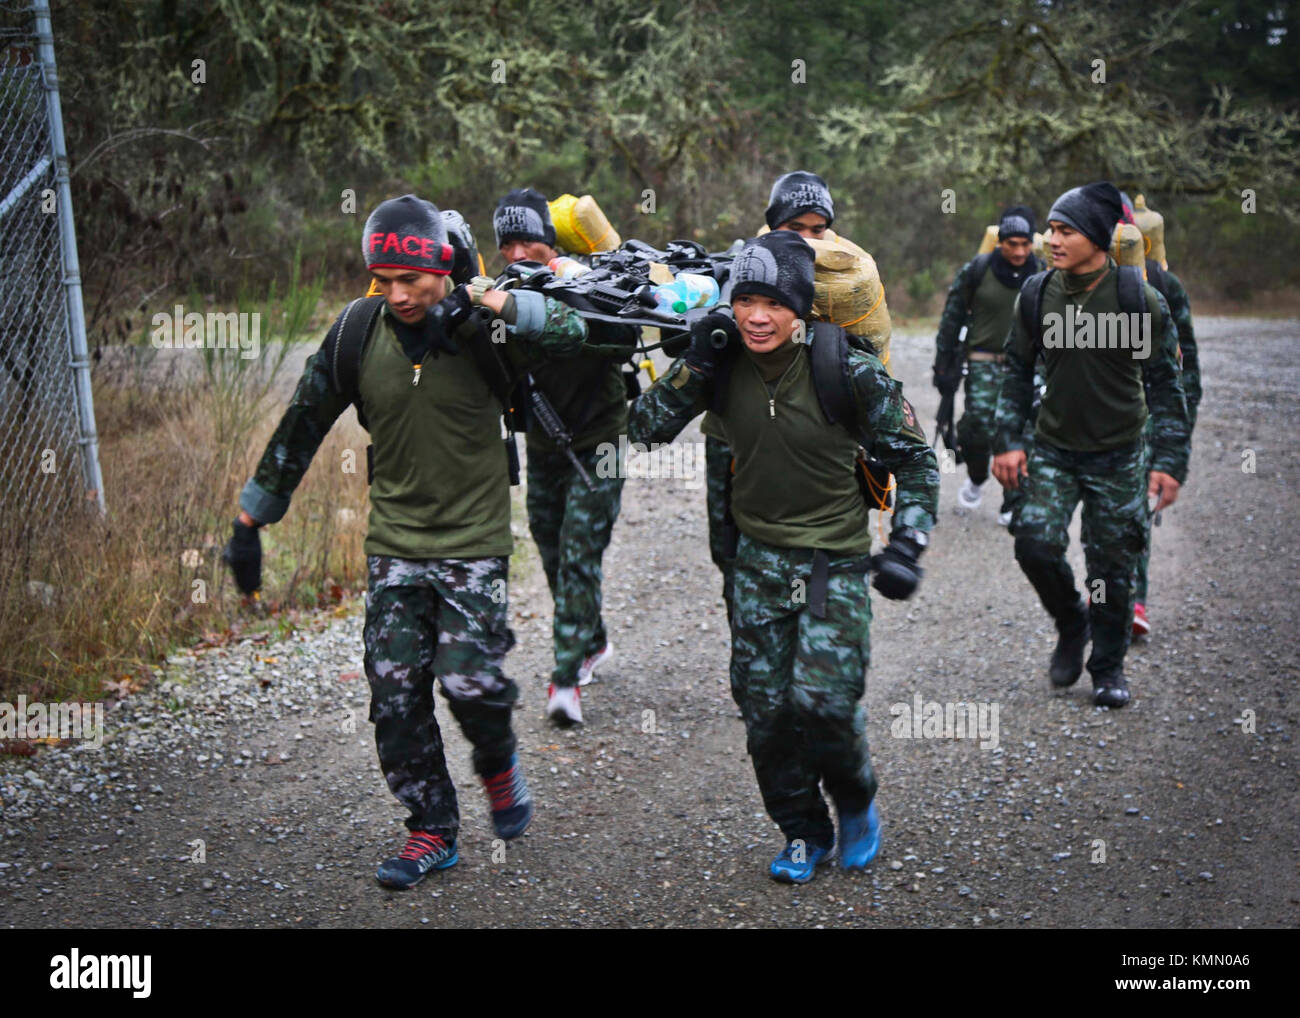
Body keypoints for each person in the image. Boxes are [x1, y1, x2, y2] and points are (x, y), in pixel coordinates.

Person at [224, 194, 591, 889]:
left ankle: (498, 763)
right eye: (383, 280)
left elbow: (575, 332)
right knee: (394, 695)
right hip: (395, 544)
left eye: (412, 281)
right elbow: (302, 422)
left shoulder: (488, 324)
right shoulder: (358, 333)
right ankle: (430, 829)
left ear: (445, 268)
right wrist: (252, 520)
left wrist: (500, 304)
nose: (398, 295)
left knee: (469, 681)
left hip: (474, 541)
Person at [630, 231, 939, 883]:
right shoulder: (722, 364)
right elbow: (645, 428)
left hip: (834, 565)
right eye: (745, 300)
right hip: (759, 567)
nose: (757, 316)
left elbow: (915, 457)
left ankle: (854, 802)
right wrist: (694, 366)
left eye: (773, 302)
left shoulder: (847, 371)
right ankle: (803, 829)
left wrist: (908, 540)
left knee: (824, 703)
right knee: (766, 714)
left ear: (801, 308)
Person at [992, 182, 1191, 708]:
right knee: (1033, 541)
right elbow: (1015, 371)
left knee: (1113, 566)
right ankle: (1070, 622)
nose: (1051, 239)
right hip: (1053, 448)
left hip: (1120, 454)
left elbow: (1167, 386)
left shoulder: (1136, 299)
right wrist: (1009, 439)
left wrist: (1169, 461)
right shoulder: (1036, 294)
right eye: (1051, 229)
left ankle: (1107, 667)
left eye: (1065, 231)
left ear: (1099, 239)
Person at [492, 188, 629, 726]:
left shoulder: (590, 281)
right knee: (550, 546)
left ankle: (565, 678)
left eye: (528, 241)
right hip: (546, 442)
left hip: (601, 443)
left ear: (549, 243)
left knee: (578, 552)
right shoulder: (503, 292)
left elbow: (621, 340)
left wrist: (576, 287)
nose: (518, 252)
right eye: (508, 244)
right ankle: (591, 640)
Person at [701, 171, 837, 623]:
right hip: (734, 432)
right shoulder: (742, 267)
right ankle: (751, 639)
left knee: (815, 547)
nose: (809, 241)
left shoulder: (842, 273)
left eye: (818, 230)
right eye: (796, 228)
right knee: (730, 548)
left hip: (813, 433)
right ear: (773, 224)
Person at [933, 205, 1044, 525]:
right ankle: (978, 476)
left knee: (1023, 429)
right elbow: (952, 317)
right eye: (1013, 244)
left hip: (1026, 364)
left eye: (1026, 244)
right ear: (1001, 242)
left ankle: (1014, 499)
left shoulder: (1043, 273)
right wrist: (943, 363)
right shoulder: (977, 270)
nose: (1020, 251)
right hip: (983, 361)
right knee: (977, 425)